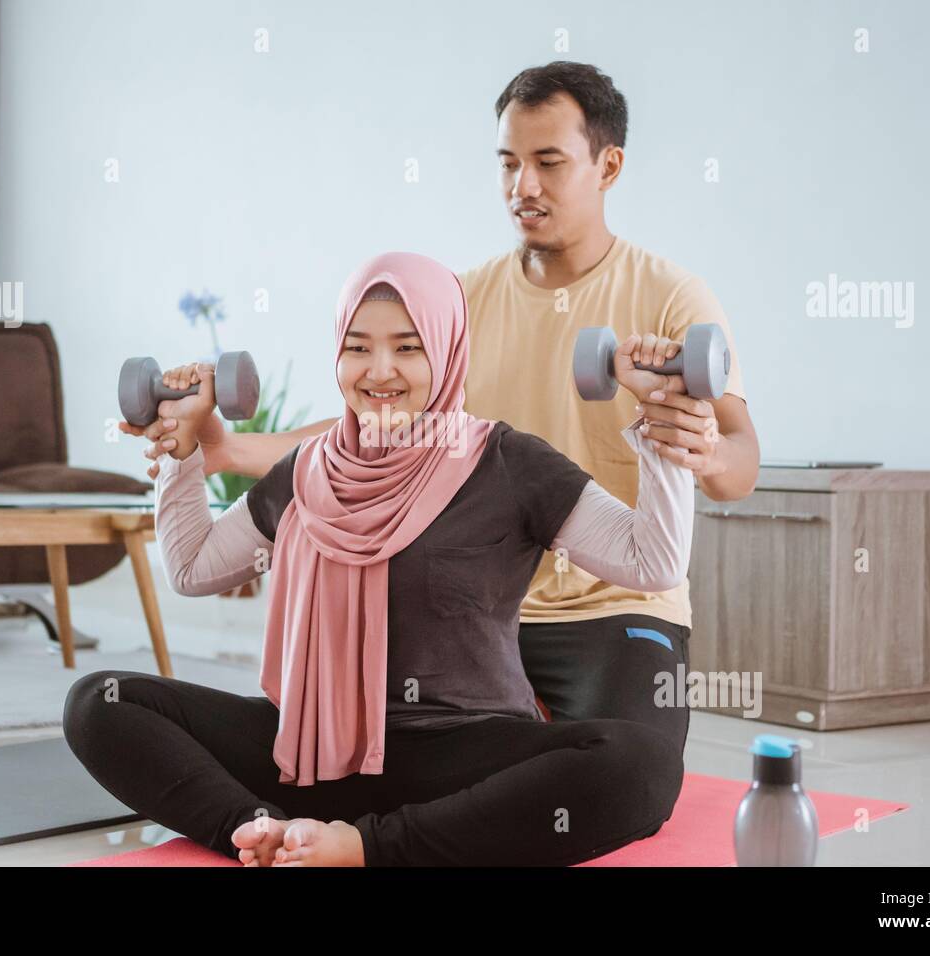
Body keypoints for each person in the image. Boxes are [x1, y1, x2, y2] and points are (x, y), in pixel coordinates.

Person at [125, 63, 760, 753]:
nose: (524, 187)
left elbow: (740, 466)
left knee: (633, 764)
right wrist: (217, 449)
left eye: (548, 162)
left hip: (611, 602)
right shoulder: (455, 301)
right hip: (470, 598)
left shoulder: (672, 296)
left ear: (608, 166)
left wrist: (697, 445)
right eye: (509, 163)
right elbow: (372, 433)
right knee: (371, 745)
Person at [64, 250, 697, 866]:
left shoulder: (507, 462)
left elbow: (652, 561)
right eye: (358, 347)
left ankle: (372, 847)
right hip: (311, 754)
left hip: (461, 756)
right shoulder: (308, 472)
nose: (379, 370)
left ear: (447, 351)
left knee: (641, 763)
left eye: (408, 346)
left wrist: (664, 423)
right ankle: (260, 833)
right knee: (100, 701)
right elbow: (192, 568)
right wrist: (181, 451)